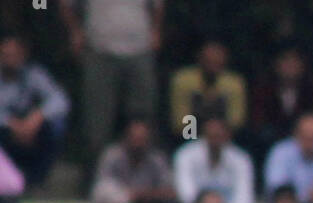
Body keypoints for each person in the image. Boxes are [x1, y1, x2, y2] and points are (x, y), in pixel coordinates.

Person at [58, 0, 161, 166]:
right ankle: (94, 174)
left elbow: (157, 5)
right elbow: (66, 4)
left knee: (143, 116)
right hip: (100, 51)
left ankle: (146, 173)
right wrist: (75, 31)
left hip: (140, 50)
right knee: (97, 122)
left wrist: (156, 30)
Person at [93, 116, 182, 203]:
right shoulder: (112, 156)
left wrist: (141, 195)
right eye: (135, 139)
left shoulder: (157, 159)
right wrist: (128, 196)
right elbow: (102, 188)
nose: (139, 143)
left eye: (143, 139)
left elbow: (170, 191)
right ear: (126, 138)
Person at [0, 33, 70, 187]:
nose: (10, 59)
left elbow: (60, 100)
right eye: (6, 55)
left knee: (54, 127)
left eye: (14, 55)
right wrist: (10, 123)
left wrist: (37, 117)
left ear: (23, 55)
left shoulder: (34, 74)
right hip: (4, 130)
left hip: (30, 128)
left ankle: (36, 183)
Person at [173, 114, 254, 203]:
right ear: (203, 135)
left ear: (227, 136)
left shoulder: (241, 159)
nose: (215, 141)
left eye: (218, 136)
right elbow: (186, 193)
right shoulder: (185, 155)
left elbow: (244, 197)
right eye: (211, 136)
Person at [169, 39, 247, 139]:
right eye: (209, 62)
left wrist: (217, 131)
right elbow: (179, 121)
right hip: (189, 136)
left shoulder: (234, 83)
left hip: (224, 137)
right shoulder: (183, 80)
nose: (212, 67)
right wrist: (202, 133)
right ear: (200, 59)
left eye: (217, 63)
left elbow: (236, 121)